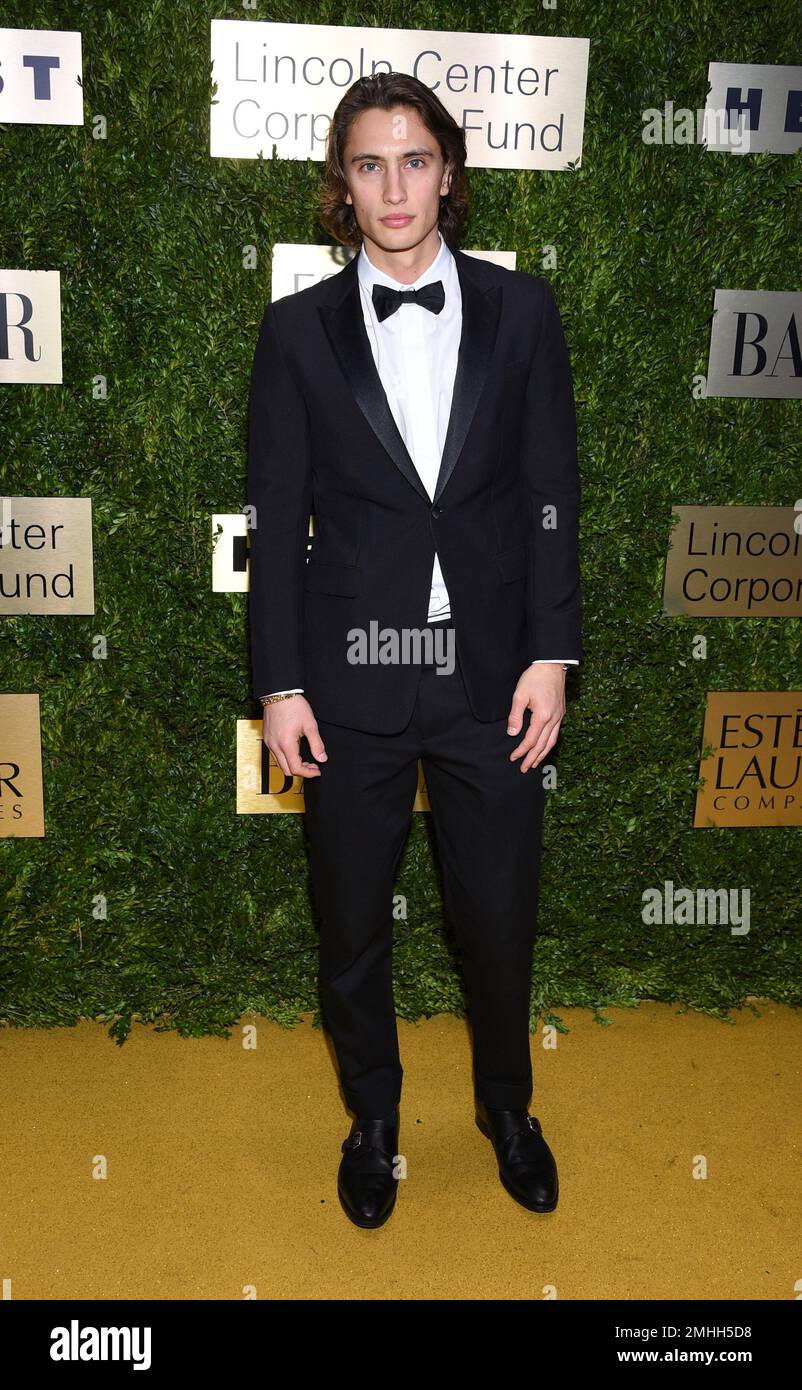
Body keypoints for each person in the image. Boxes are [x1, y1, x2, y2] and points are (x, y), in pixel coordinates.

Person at [246, 71, 582, 1228]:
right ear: (342, 185)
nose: (395, 185)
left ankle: (507, 1111)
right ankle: (374, 1124)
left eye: (415, 159)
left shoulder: (522, 311)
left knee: (496, 915)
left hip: (492, 676)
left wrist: (553, 655)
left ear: (449, 170)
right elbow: (276, 518)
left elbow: (551, 495)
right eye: (369, 163)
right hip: (348, 679)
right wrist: (281, 685)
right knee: (350, 926)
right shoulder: (294, 333)